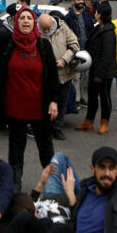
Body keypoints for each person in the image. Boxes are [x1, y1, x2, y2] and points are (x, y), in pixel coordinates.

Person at [0, 7, 60, 191]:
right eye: (22, 18)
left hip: (39, 107)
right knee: (16, 149)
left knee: (46, 148)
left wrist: (54, 101)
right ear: (16, 22)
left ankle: (54, 184)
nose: (26, 21)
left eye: (29, 18)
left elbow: (53, 75)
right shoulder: (10, 43)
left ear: (34, 23)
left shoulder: (43, 46)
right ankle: (15, 187)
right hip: (15, 107)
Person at [37, 12, 79, 140]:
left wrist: (64, 60)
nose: (46, 31)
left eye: (48, 28)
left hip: (64, 73)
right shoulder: (36, 32)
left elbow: (74, 45)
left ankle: (57, 127)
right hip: (46, 76)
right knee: (45, 101)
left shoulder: (63, 28)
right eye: (43, 29)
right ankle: (46, 127)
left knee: (62, 101)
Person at [78, 1, 117, 134]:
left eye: (96, 12)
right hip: (93, 68)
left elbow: (107, 54)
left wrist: (99, 74)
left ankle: (104, 122)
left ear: (99, 14)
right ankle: (88, 121)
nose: (95, 14)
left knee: (104, 98)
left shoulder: (108, 32)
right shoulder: (98, 28)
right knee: (92, 96)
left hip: (104, 72)